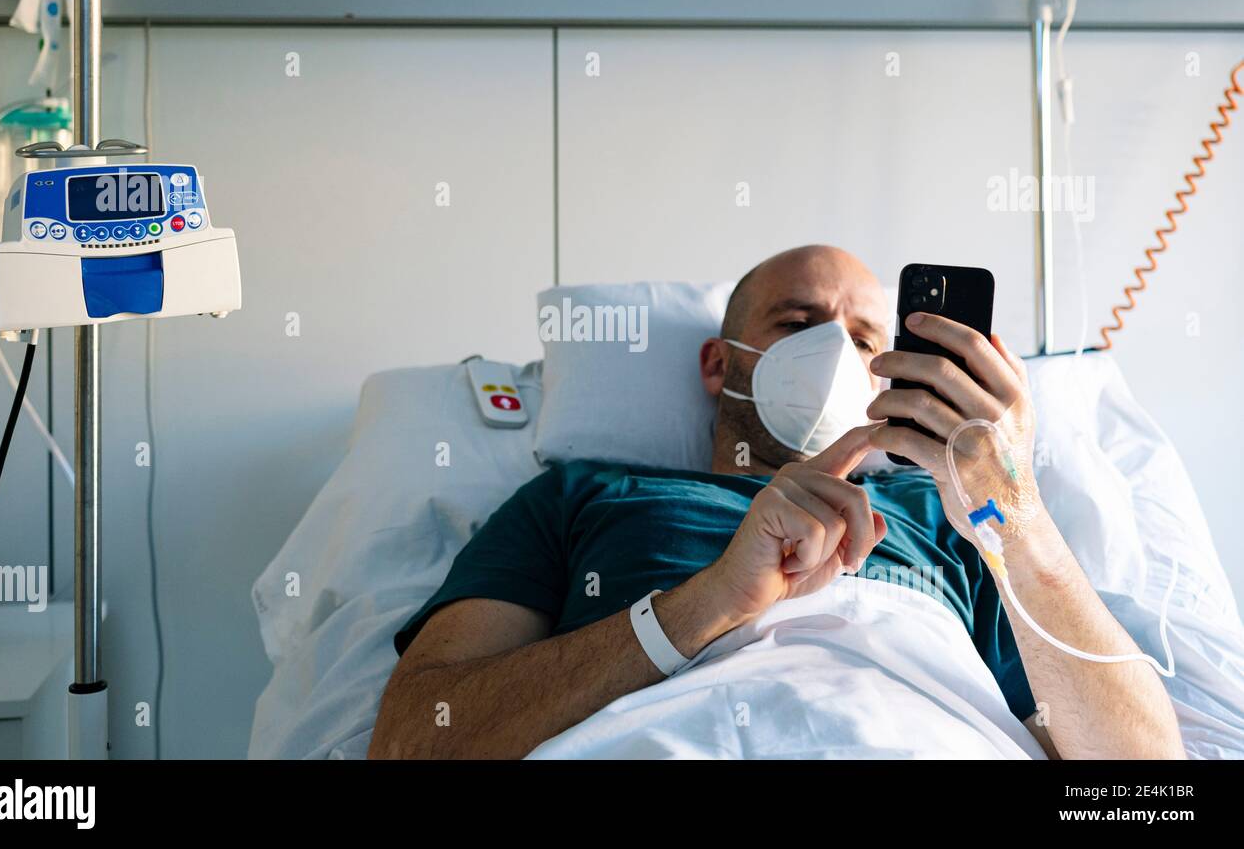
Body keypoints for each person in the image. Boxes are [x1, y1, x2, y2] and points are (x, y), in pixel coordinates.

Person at [369, 245, 1184, 760]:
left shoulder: (955, 516)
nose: (834, 348)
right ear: (720, 363)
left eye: (867, 338)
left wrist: (1015, 508)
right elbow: (415, 740)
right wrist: (708, 603)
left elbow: (1145, 786)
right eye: (798, 322)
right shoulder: (584, 495)